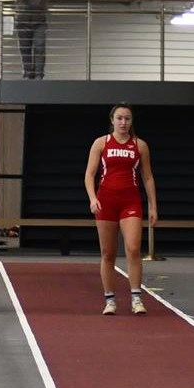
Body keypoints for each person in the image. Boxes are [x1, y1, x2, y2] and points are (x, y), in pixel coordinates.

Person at [84, 104, 158, 316]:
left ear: (131, 121)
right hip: (105, 202)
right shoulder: (101, 143)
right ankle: (110, 299)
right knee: (108, 253)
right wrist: (92, 198)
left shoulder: (139, 145)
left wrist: (153, 205)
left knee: (133, 248)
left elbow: (148, 177)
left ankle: (136, 297)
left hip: (130, 202)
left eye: (127, 118)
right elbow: (89, 174)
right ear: (112, 120)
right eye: (119, 118)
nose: (123, 122)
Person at [12, 0, 53, 80]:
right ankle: (28, 74)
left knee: (39, 47)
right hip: (22, 20)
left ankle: (39, 74)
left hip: (39, 20)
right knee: (25, 49)